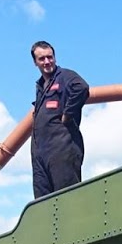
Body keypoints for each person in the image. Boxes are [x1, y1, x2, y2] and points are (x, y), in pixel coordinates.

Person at [29, 40, 89, 198]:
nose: (47, 62)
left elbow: (81, 88)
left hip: (62, 147)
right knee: (42, 201)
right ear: (35, 62)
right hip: (40, 153)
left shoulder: (65, 76)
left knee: (66, 198)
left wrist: (68, 114)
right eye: (42, 59)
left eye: (50, 57)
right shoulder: (41, 86)